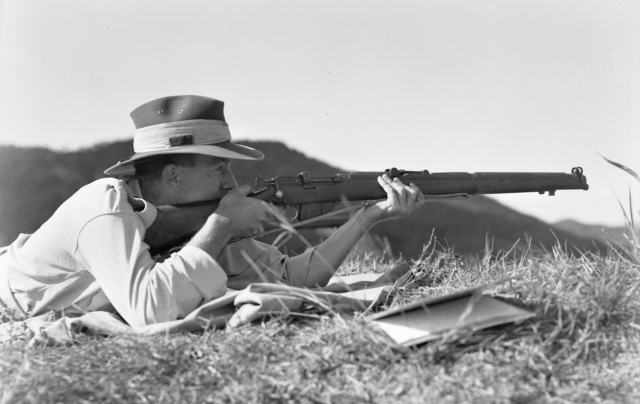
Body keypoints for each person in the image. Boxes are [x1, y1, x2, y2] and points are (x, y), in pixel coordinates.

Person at [0, 95, 425, 328]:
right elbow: (149, 311)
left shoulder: (199, 218)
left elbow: (295, 279)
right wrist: (221, 225)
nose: (229, 181)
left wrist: (366, 216)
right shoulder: (104, 206)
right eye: (218, 166)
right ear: (174, 176)